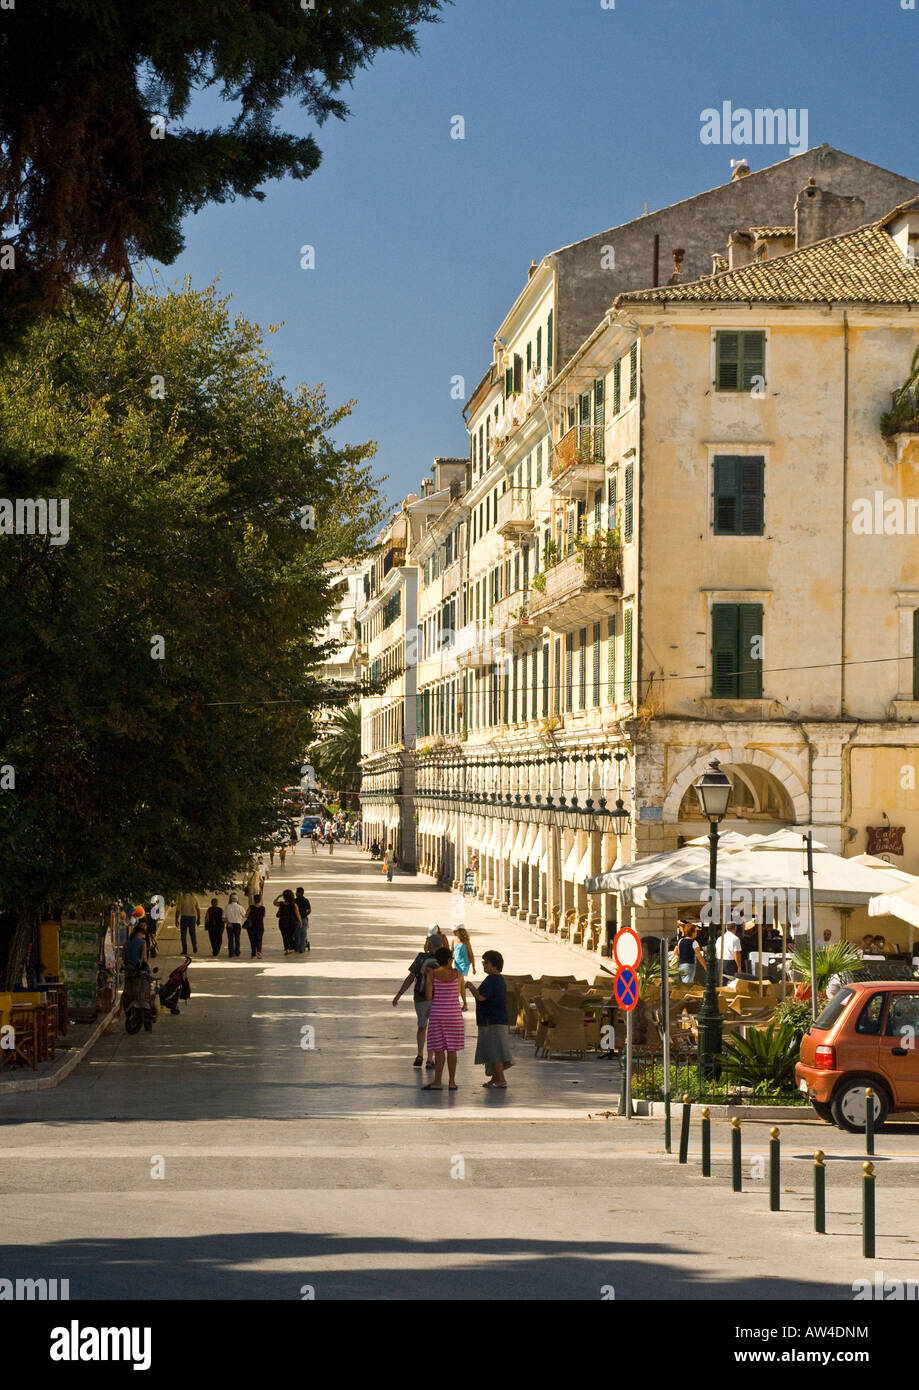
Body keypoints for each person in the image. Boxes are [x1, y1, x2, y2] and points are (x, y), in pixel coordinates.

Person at [392, 934, 442, 1068]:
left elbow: (410, 977)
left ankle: (420, 1054)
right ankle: (430, 1059)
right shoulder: (444, 958)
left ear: (430, 944)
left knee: (422, 1026)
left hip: (420, 997)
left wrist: (399, 994)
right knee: (433, 1028)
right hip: (438, 998)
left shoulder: (421, 958)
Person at [467, 950, 513, 1089]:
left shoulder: (493, 979)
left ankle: (501, 1080)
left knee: (495, 1051)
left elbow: (481, 996)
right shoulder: (497, 979)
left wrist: (470, 986)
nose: (484, 965)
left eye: (486, 963)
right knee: (492, 1050)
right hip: (493, 1020)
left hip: (493, 1020)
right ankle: (495, 1078)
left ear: (494, 965)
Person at [422, 947, 465, 1091]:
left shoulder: (433, 974)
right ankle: (452, 1082)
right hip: (454, 1015)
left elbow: (428, 996)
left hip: (438, 1015)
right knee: (452, 1050)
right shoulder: (458, 974)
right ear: (448, 959)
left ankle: (437, 1081)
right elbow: (459, 992)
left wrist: (429, 978)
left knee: (439, 1050)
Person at [452, 925, 475, 1009]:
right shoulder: (453, 940)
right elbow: (451, 954)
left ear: (460, 931)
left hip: (465, 964)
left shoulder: (466, 941)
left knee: (458, 983)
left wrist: (473, 967)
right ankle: (465, 1004)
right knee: (461, 984)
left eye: (455, 931)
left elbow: (471, 954)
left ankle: (455, 1004)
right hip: (456, 964)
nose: (453, 932)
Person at [273, 889, 301, 955]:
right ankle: (290, 948)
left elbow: (274, 903)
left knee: (284, 936)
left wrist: (278, 897)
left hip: (282, 922)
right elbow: (297, 914)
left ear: (284, 896)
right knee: (290, 936)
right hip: (291, 922)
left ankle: (287, 949)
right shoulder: (294, 905)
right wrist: (300, 921)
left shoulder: (281, 904)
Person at [174, 891, 200, 955]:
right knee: (192, 933)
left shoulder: (182, 898)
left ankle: (185, 950)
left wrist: (176, 920)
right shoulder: (194, 897)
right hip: (192, 917)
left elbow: (178, 911)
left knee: (183, 935)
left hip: (184, 917)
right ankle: (194, 946)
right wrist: (198, 919)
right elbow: (198, 909)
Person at [245, 894, 266, 960]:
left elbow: (246, 915)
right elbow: (264, 915)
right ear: (260, 900)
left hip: (251, 926)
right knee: (259, 939)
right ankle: (259, 952)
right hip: (260, 925)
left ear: (254, 900)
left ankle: (253, 953)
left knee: (252, 940)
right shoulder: (262, 908)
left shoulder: (251, 907)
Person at [294, 888, 311, 953]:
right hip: (304, 919)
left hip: (296, 919)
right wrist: (305, 915)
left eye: (296, 892)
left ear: (298, 893)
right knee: (303, 934)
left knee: (297, 934)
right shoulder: (306, 900)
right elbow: (309, 910)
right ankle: (302, 948)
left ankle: (297, 948)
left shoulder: (294, 901)